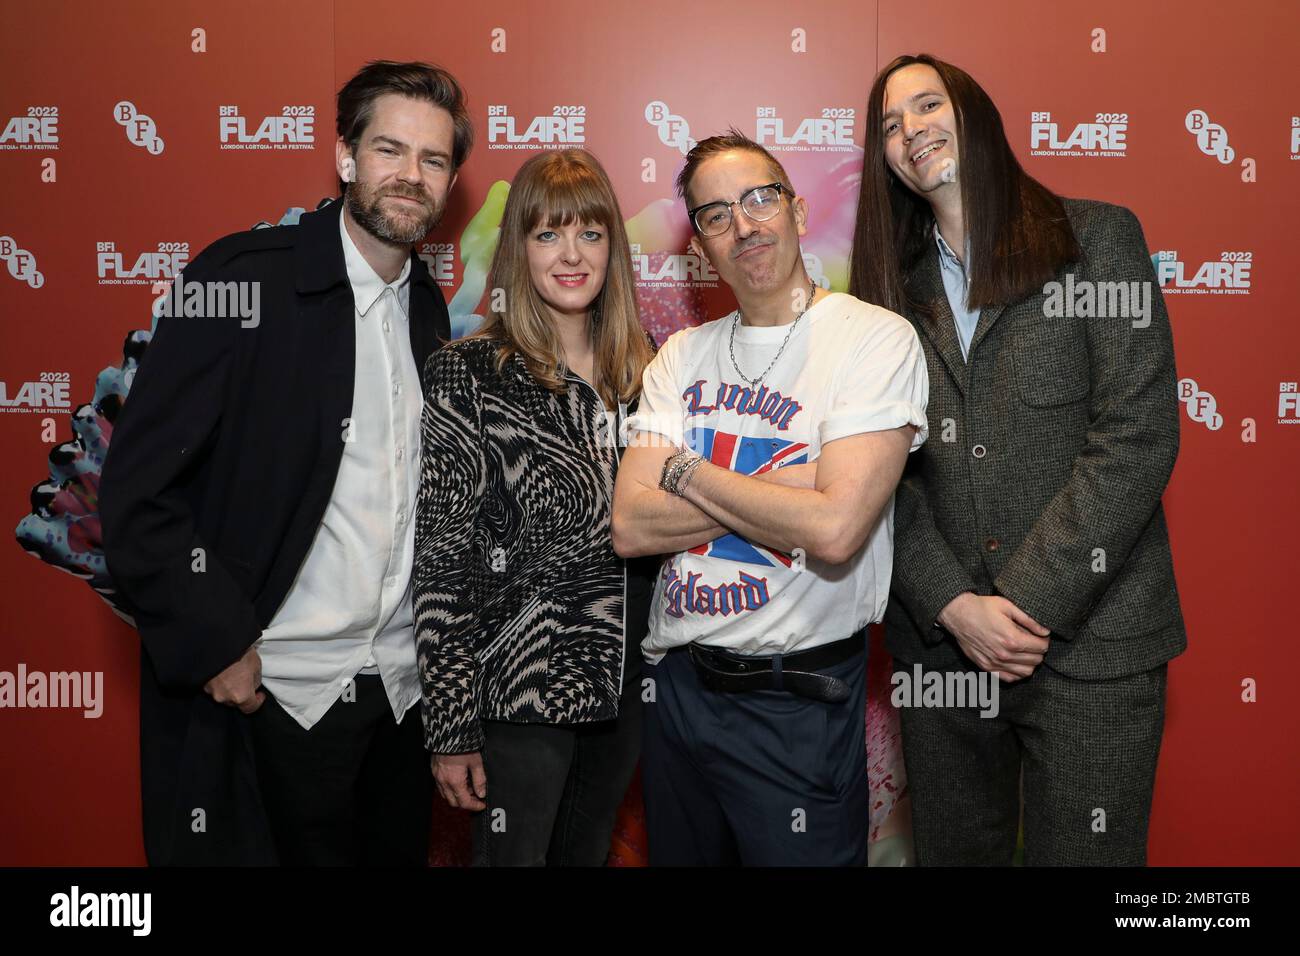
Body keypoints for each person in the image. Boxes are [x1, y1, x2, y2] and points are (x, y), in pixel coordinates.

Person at [99, 60, 472, 865]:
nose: (410, 176)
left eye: (433, 160)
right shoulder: (241, 281)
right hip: (272, 693)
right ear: (344, 158)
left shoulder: (428, 310)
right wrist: (215, 642)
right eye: (389, 149)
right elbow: (135, 490)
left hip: (399, 702)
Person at [851, 53, 1186, 866]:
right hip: (945, 650)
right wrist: (959, 609)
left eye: (928, 106)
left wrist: (1022, 602)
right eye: (891, 126)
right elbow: (879, 475)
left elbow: (1137, 434)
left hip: (1095, 644)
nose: (911, 132)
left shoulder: (1099, 239)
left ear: (975, 114)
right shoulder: (885, 290)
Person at [612, 131, 929, 866]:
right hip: (678, 695)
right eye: (716, 214)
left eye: (760, 199)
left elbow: (837, 527)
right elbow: (629, 524)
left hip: (799, 702)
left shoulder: (872, 340)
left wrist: (685, 470)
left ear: (797, 208)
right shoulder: (679, 355)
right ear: (700, 243)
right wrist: (798, 480)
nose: (744, 224)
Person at [416, 149, 657, 866]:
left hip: (627, 689)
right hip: (517, 694)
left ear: (613, 245)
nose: (572, 254)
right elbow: (441, 560)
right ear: (518, 248)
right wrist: (451, 725)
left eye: (590, 232)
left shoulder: (648, 373)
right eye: (548, 234)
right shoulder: (468, 373)